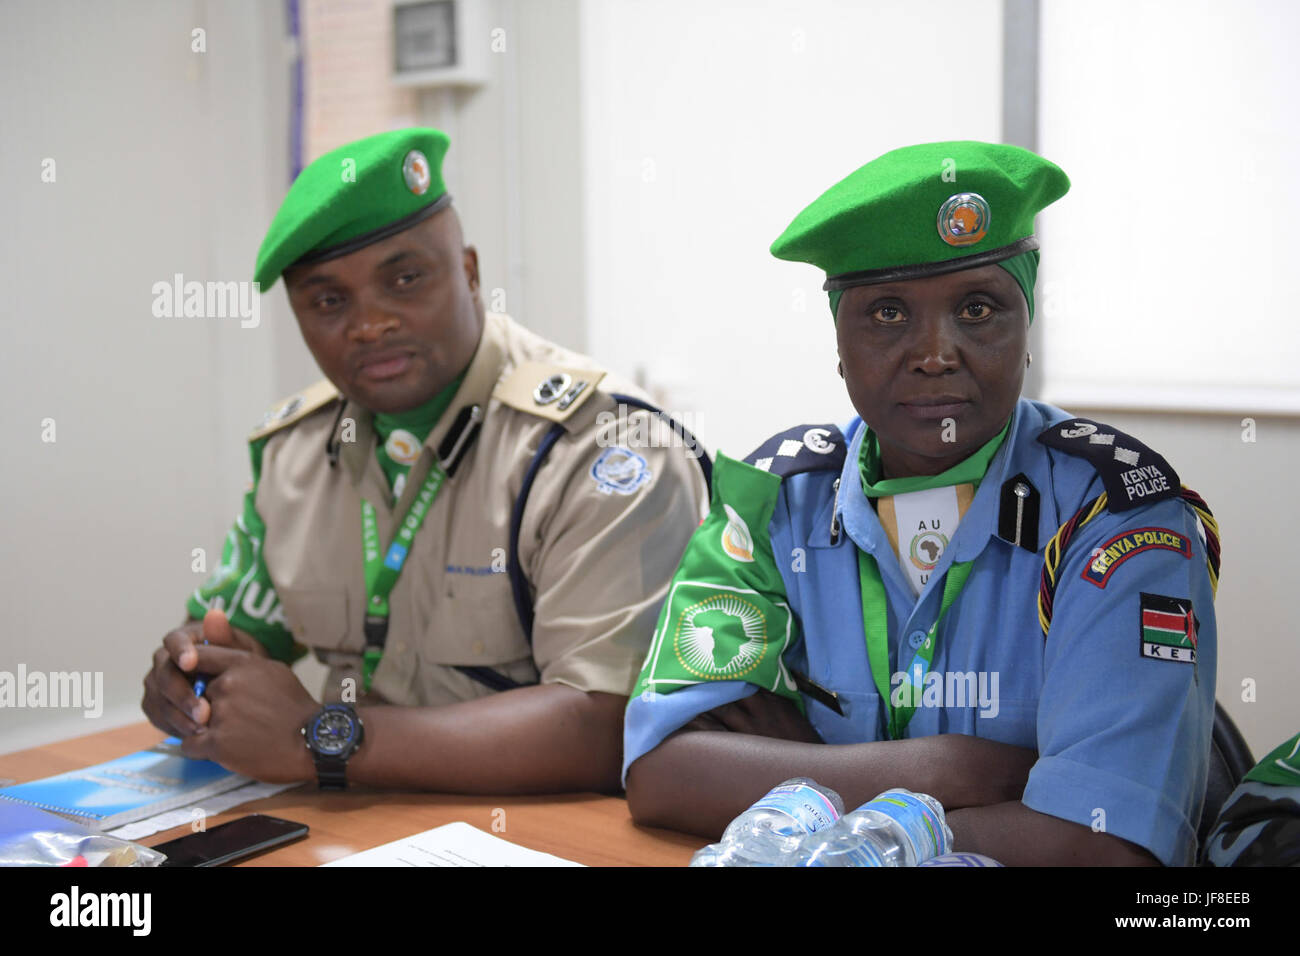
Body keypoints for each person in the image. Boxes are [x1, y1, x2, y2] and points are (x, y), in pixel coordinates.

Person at [622, 140, 1221, 866]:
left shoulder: (1117, 516)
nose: (935, 353)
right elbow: (663, 774)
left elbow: (1100, 845)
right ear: (838, 344)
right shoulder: (778, 499)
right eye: (886, 314)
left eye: (978, 307)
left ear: (1026, 328)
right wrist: (950, 770)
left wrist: (811, 795)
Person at [140, 127, 708, 794]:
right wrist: (194, 676)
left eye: (405, 279)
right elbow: (241, 636)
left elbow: (607, 724)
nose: (369, 324)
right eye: (328, 300)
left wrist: (324, 737)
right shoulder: (292, 453)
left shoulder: (606, 448)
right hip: (348, 821)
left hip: (537, 829)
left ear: (469, 272)